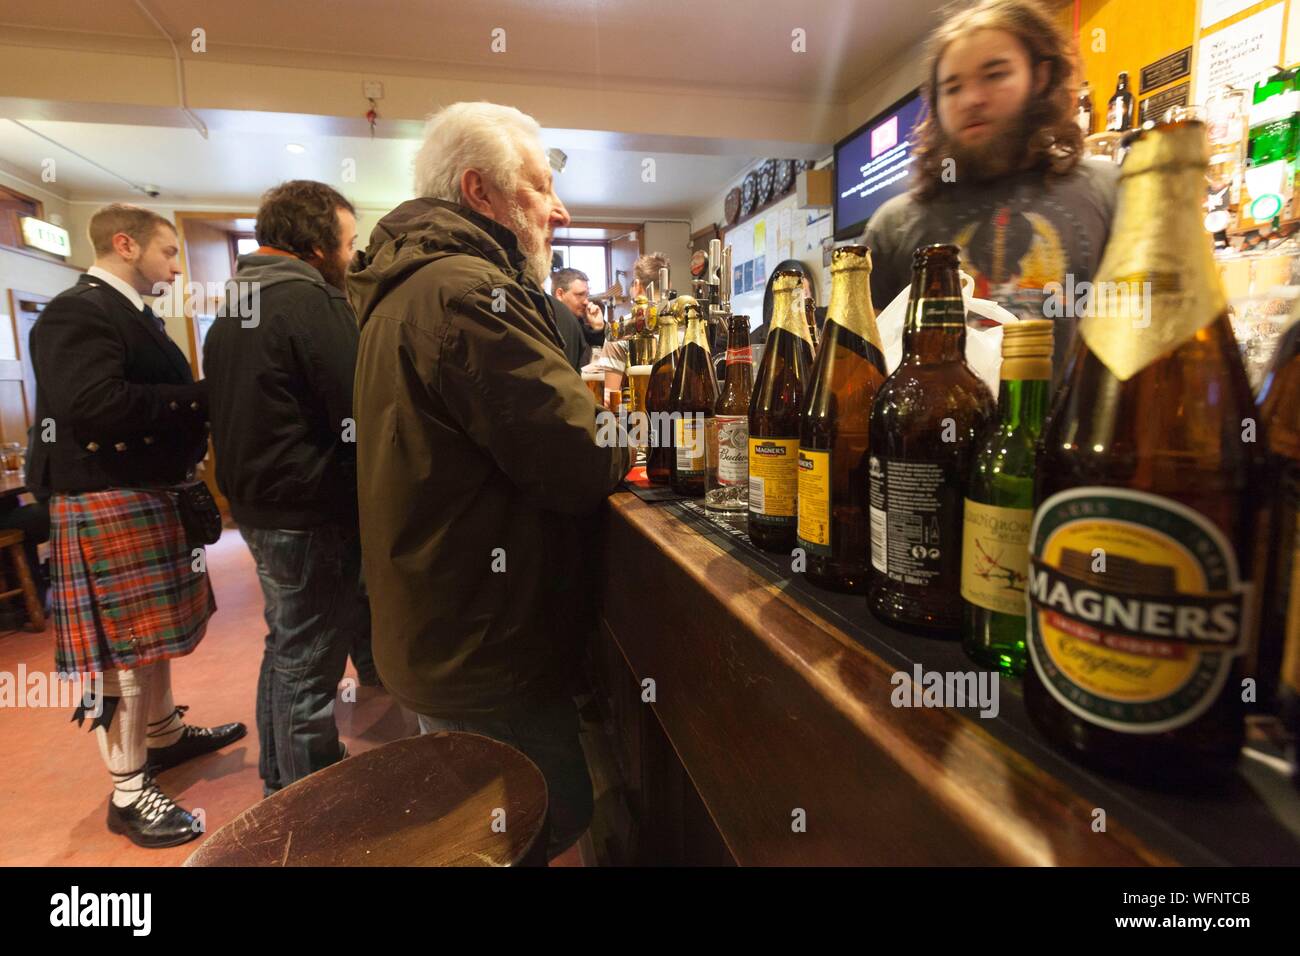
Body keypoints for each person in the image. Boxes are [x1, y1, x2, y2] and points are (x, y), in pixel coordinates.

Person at [350, 101, 629, 860]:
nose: (559, 209)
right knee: (532, 825)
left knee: (489, 826)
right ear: (481, 192)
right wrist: (629, 423)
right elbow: (580, 458)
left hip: (441, 621)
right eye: (539, 187)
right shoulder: (470, 293)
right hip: (484, 643)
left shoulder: (410, 281)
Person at [27, 204, 245, 848]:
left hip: (141, 494)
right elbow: (92, 407)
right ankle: (127, 793)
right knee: (120, 656)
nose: (177, 268)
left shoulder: (127, 313)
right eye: (168, 253)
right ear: (125, 245)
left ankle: (164, 739)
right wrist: (202, 398)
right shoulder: (80, 311)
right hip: (105, 497)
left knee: (145, 644)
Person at [204, 180, 371, 797]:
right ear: (318, 243)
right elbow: (356, 409)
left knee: (288, 645)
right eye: (349, 243)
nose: (352, 257)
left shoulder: (236, 301)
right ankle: (308, 801)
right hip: (308, 508)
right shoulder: (309, 300)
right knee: (309, 660)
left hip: (256, 505)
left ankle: (284, 778)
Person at [861, 0, 1119, 377]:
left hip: (1076, 436)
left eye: (995, 75)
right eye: (953, 88)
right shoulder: (895, 224)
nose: (972, 99)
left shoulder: (1109, 192)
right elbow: (860, 370)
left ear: (1041, 76)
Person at [589, 252, 670, 394]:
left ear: (637, 285)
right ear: (668, 285)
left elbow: (611, 395)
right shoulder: (684, 322)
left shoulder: (620, 330)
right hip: (683, 414)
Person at [552, 266, 606, 347]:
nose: (586, 301)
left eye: (586, 295)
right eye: (580, 294)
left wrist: (598, 328)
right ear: (560, 294)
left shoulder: (579, 323)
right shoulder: (549, 326)